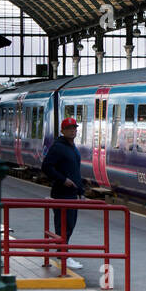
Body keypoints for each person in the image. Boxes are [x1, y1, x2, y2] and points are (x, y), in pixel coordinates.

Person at [41, 115, 84, 271]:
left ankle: (63, 252)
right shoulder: (58, 147)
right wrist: (62, 180)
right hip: (62, 193)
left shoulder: (71, 147)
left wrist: (81, 190)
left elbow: (75, 171)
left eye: (74, 128)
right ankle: (63, 255)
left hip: (71, 193)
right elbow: (46, 167)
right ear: (62, 131)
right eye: (69, 129)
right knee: (64, 225)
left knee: (69, 225)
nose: (72, 131)